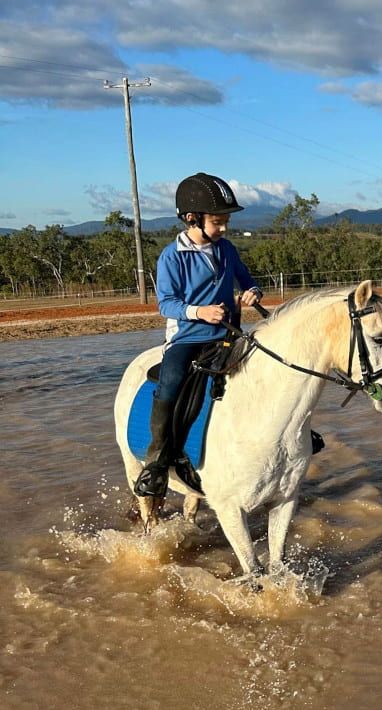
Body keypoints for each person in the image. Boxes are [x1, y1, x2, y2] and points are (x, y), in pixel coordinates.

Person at [132, 172, 262, 498]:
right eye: (218, 222)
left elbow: (247, 280)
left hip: (226, 334)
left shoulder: (226, 249)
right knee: (173, 379)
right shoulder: (171, 256)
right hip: (187, 337)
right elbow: (167, 304)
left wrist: (252, 293)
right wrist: (200, 311)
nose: (224, 228)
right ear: (193, 219)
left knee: (265, 366)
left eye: (225, 222)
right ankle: (158, 461)